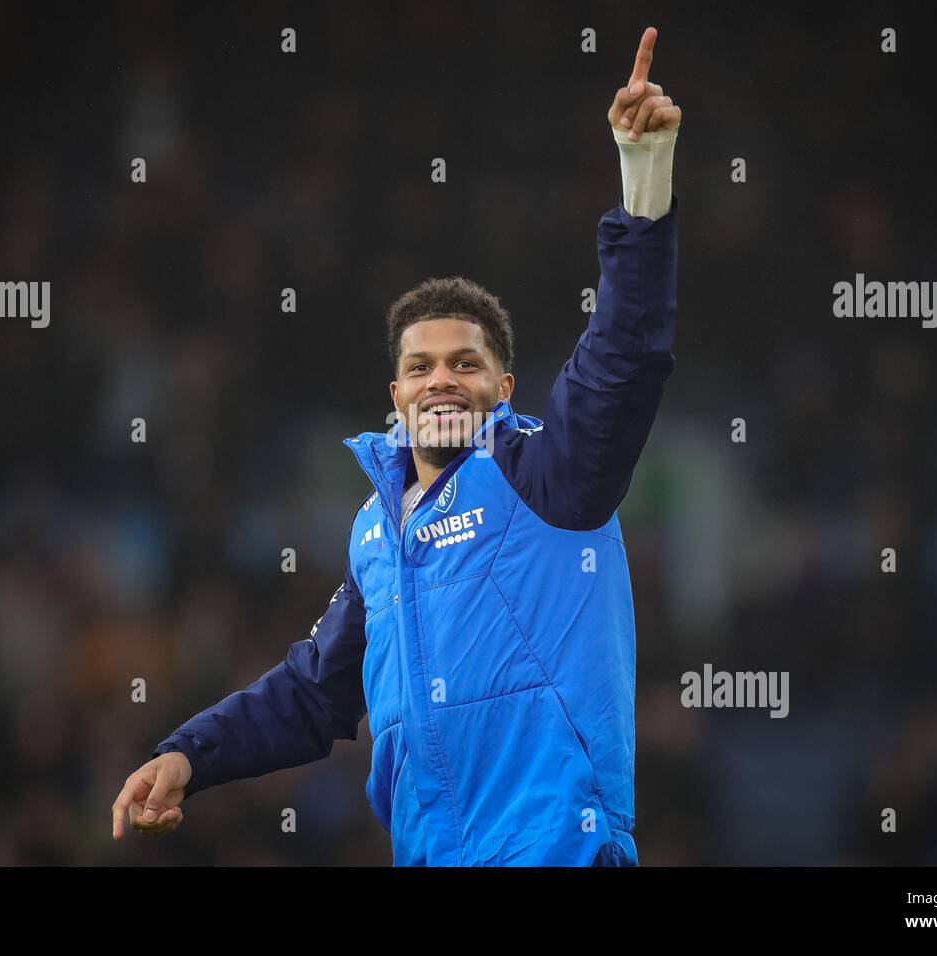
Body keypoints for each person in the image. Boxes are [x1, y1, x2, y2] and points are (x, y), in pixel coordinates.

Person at [112, 25, 682, 865]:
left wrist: (644, 177)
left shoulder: (549, 477)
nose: (440, 380)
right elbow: (311, 693)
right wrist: (188, 754)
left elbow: (622, 359)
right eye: (420, 366)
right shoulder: (378, 536)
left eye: (466, 364)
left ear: (505, 389)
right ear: (395, 395)